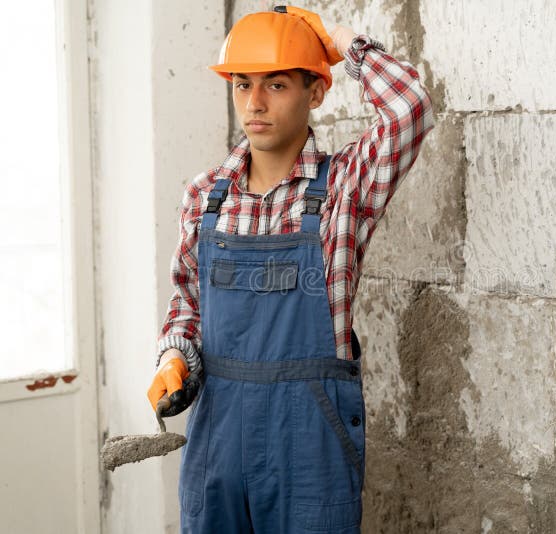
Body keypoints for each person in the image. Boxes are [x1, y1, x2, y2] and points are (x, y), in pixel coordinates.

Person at [145, 5, 433, 533]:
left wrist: (337, 38)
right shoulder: (204, 197)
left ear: (316, 92)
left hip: (310, 447)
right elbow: (187, 305)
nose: (253, 103)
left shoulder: (347, 189)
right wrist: (175, 358)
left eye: (276, 85)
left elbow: (410, 108)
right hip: (219, 443)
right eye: (241, 84)